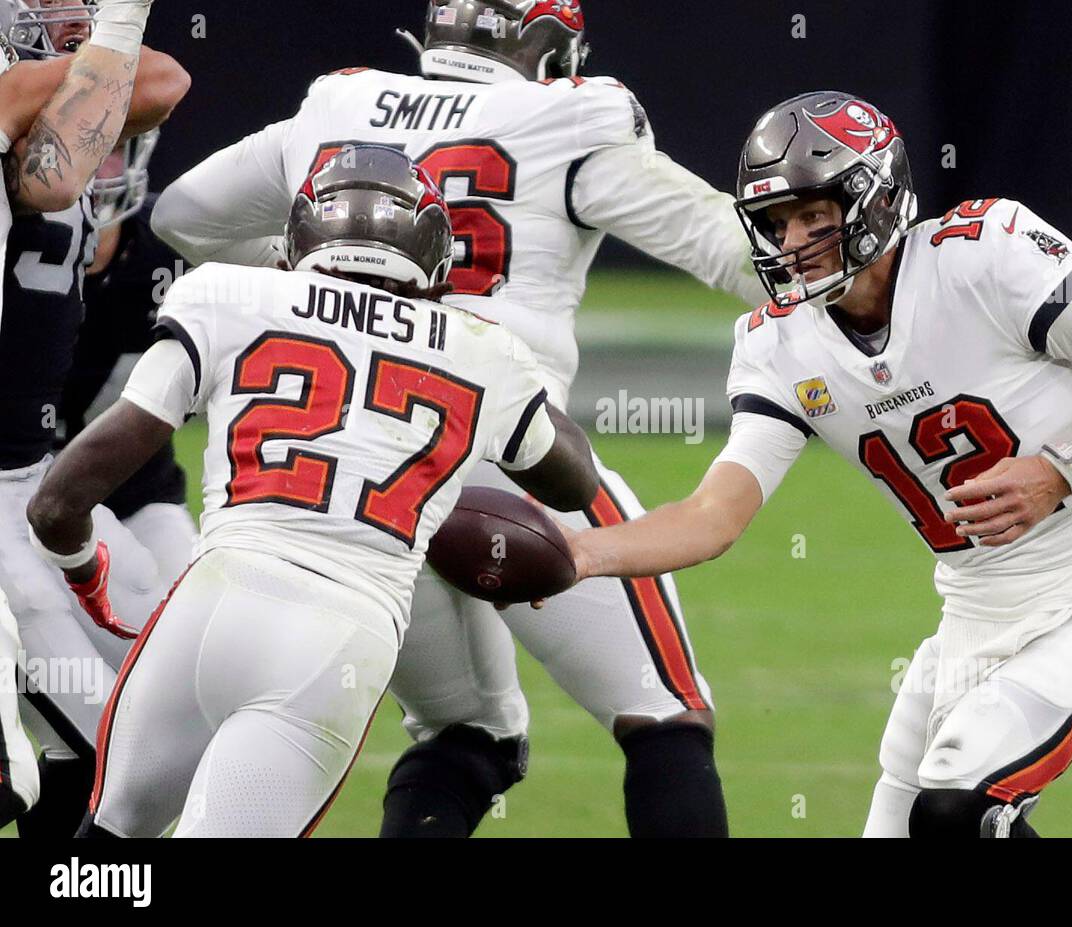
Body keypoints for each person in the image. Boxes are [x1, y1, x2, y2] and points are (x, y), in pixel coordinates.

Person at [151, 0, 766, 837]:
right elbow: (737, 251)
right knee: (666, 717)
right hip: (504, 446)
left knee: (469, 732)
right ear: (548, 45)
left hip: (357, 476)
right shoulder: (569, 118)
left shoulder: (342, 103)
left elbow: (181, 215)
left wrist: (310, 289)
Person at [561, 91, 1072, 837]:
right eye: (777, 223)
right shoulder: (779, 344)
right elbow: (713, 517)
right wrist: (578, 552)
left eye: (815, 214)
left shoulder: (985, 256)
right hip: (974, 615)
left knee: (957, 805)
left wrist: (1059, 469)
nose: (795, 241)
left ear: (874, 200)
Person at [29, 145, 599, 837]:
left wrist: (84, 571)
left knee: (105, 847)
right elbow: (575, 482)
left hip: (207, 606)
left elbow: (56, 503)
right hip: (337, 637)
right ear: (433, 258)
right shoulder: (482, 350)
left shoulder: (229, 294)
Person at [0, 0, 187, 829]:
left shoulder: (52, 116)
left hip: (32, 480)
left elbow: (162, 77)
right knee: (109, 747)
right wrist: (99, 54)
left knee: (174, 692)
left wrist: (89, 65)